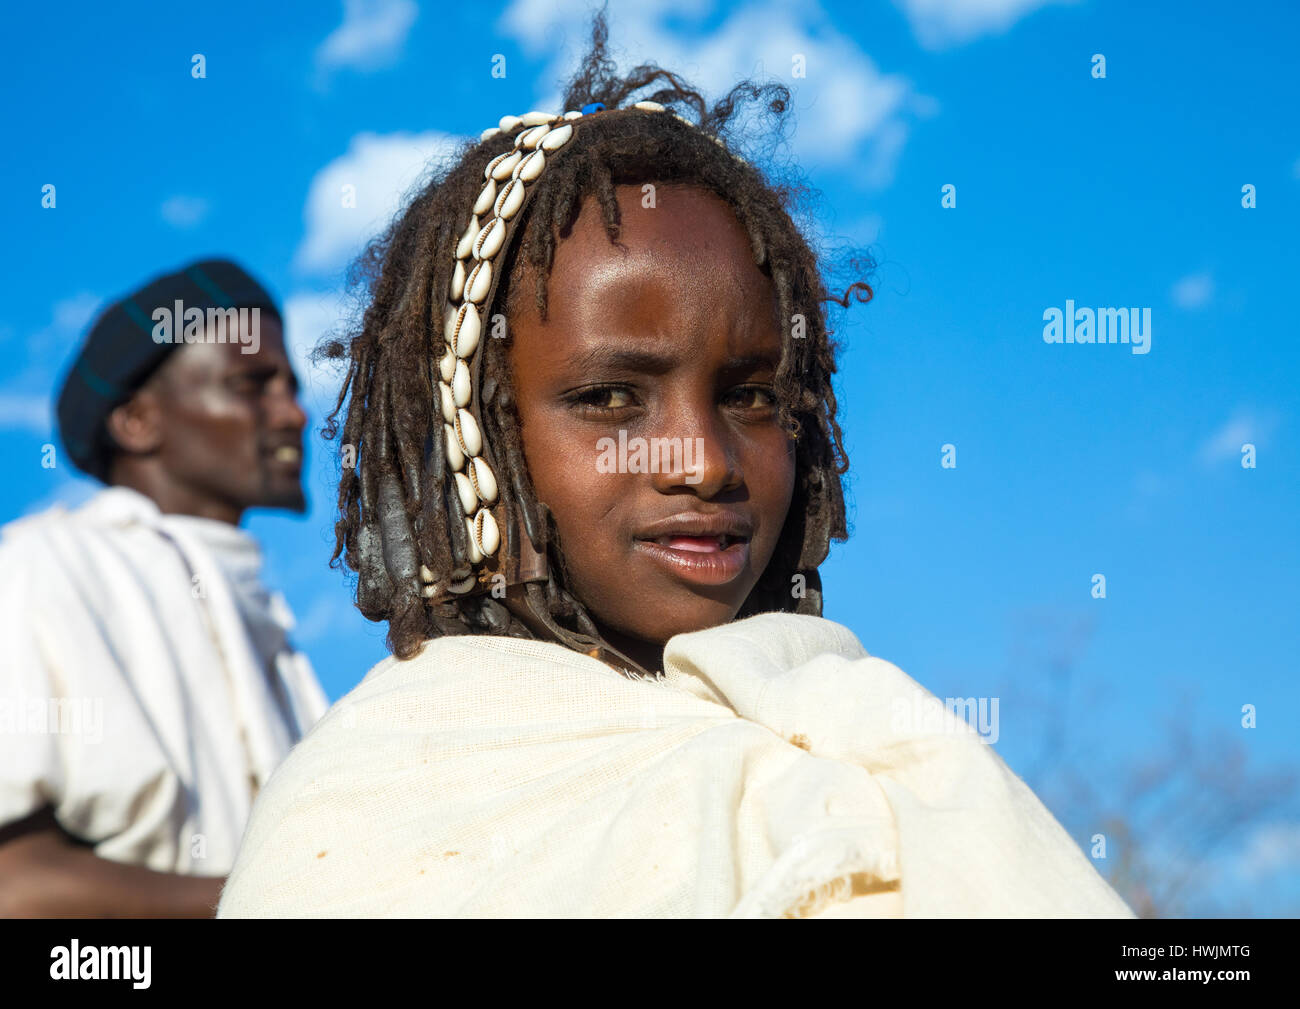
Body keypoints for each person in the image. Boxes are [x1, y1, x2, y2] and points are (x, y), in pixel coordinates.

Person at [217, 16, 1133, 918]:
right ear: (476, 437)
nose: (701, 461)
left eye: (753, 396)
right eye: (611, 398)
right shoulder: (353, 821)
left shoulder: (857, 751)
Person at [0, 258, 330, 917]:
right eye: (251, 384)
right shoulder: (46, 564)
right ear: (137, 422)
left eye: (290, 385)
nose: (293, 413)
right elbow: (15, 889)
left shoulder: (272, 633)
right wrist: (281, 904)